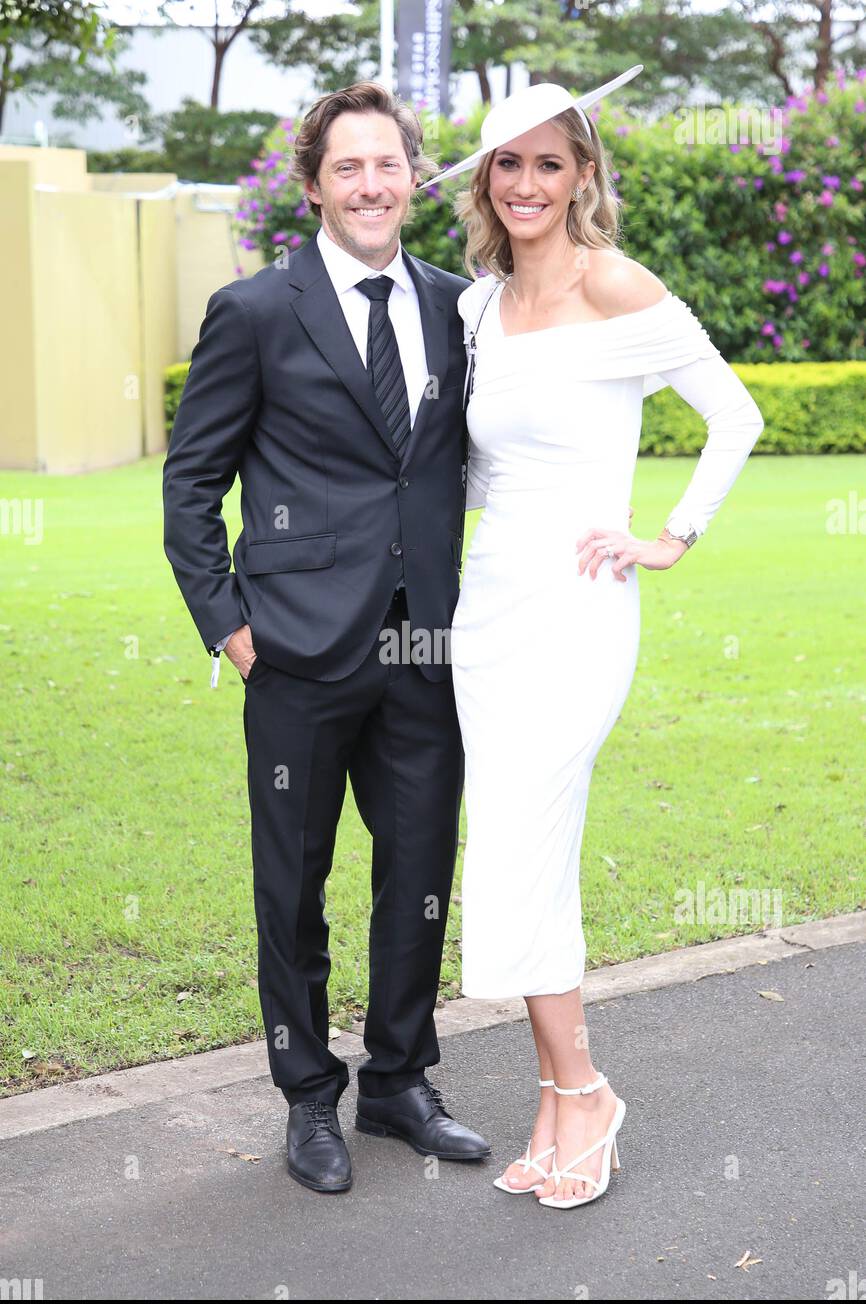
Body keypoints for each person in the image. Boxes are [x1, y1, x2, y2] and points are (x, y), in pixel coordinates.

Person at [416, 68, 765, 1210]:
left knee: (521, 835)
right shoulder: (473, 306)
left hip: (576, 613)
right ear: (483, 179)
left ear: (581, 177)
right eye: (505, 163)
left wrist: (670, 535)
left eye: (547, 162)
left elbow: (733, 413)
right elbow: (468, 471)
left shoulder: (616, 285)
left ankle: (584, 1088)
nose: (525, 183)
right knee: (520, 847)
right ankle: (560, 1098)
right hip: (488, 613)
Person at [163, 82, 490, 1195]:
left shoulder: (456, 307)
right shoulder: (253, 310)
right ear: (312, 186)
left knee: (418, 873)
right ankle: (310, 1094)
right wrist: (230, 628)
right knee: (290, 883)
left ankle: (400, 1078)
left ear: (411, 176)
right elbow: (191, 481)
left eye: (386, 165)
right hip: (296, 653)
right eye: (346, 168)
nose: (369, 185)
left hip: (423, 653)